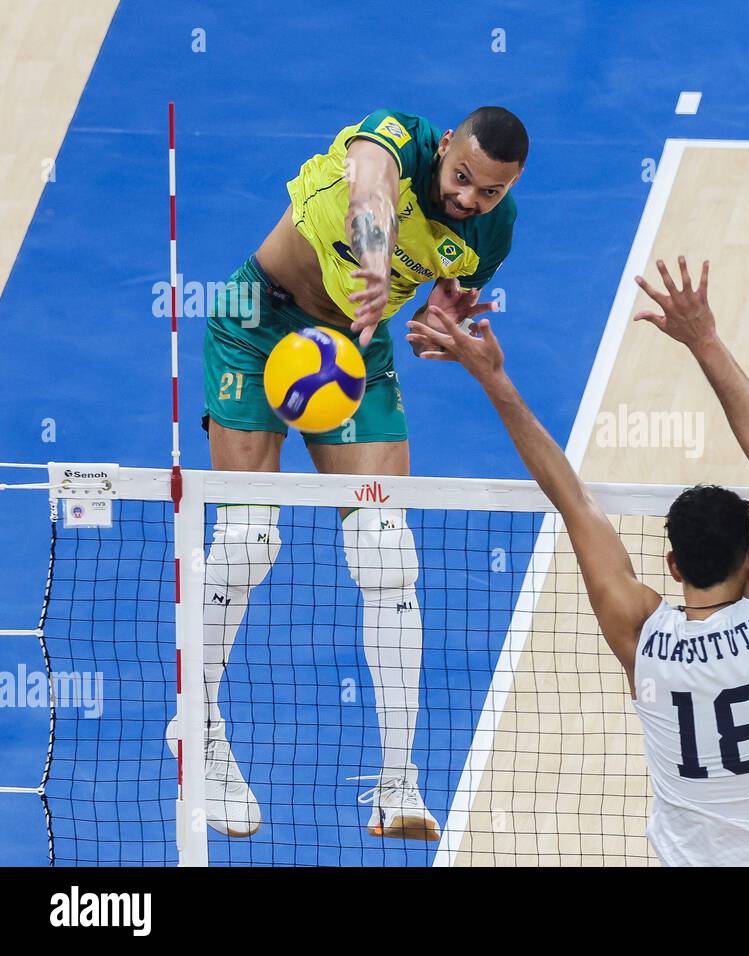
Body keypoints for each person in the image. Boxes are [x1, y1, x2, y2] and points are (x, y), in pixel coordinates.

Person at [171, 106, 527, 840]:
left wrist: (442, 327)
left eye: (487, 193)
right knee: (244, 544)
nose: (467, 200)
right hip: (255, 320)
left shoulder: (493, 227)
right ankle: (196, 734)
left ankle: (398, 783)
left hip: (350, 349)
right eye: (462, 178)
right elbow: (370, 193)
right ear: (450, 141)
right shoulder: (393, 137)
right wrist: (373, 259)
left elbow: (445, 296)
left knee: (387, 550)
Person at [407, 257, 749, 865]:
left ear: (673, 566)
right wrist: (703, 339)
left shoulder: (640, 633)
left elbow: (571, 498)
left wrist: (495, 382)